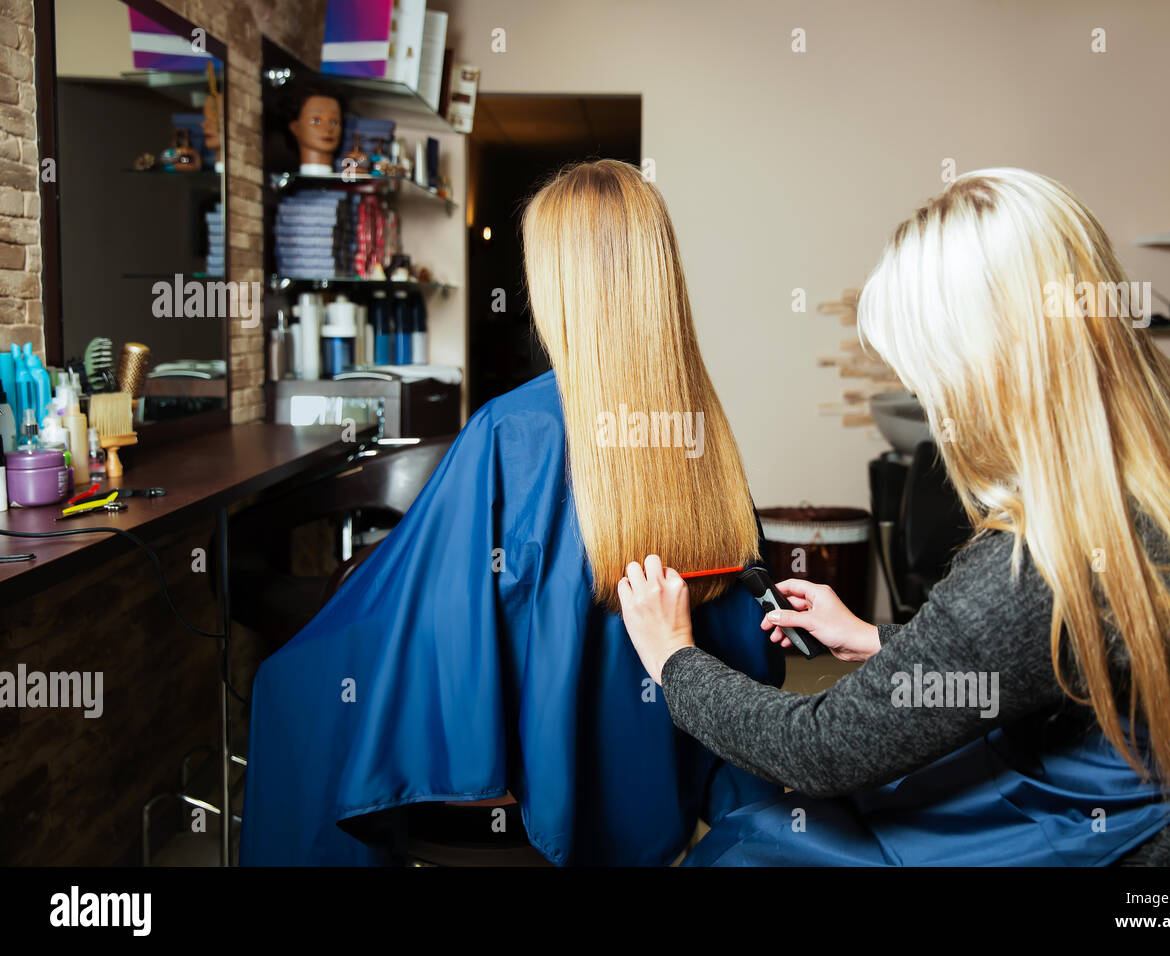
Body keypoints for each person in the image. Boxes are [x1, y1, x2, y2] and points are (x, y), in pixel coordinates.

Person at [619, 168, 1170, 866]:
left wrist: (673, 658)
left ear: (976, 366)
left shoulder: (1041, 559)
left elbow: (818, 748)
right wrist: (880, 642)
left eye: (925, 375)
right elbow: (1061, 650)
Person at [241, 160, 783, 866]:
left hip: (525, 785)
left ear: (555, 284)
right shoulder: (702, 433)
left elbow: (438, 612)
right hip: (656, 775)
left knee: (288, 686)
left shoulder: (511, 430)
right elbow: (745, 645)